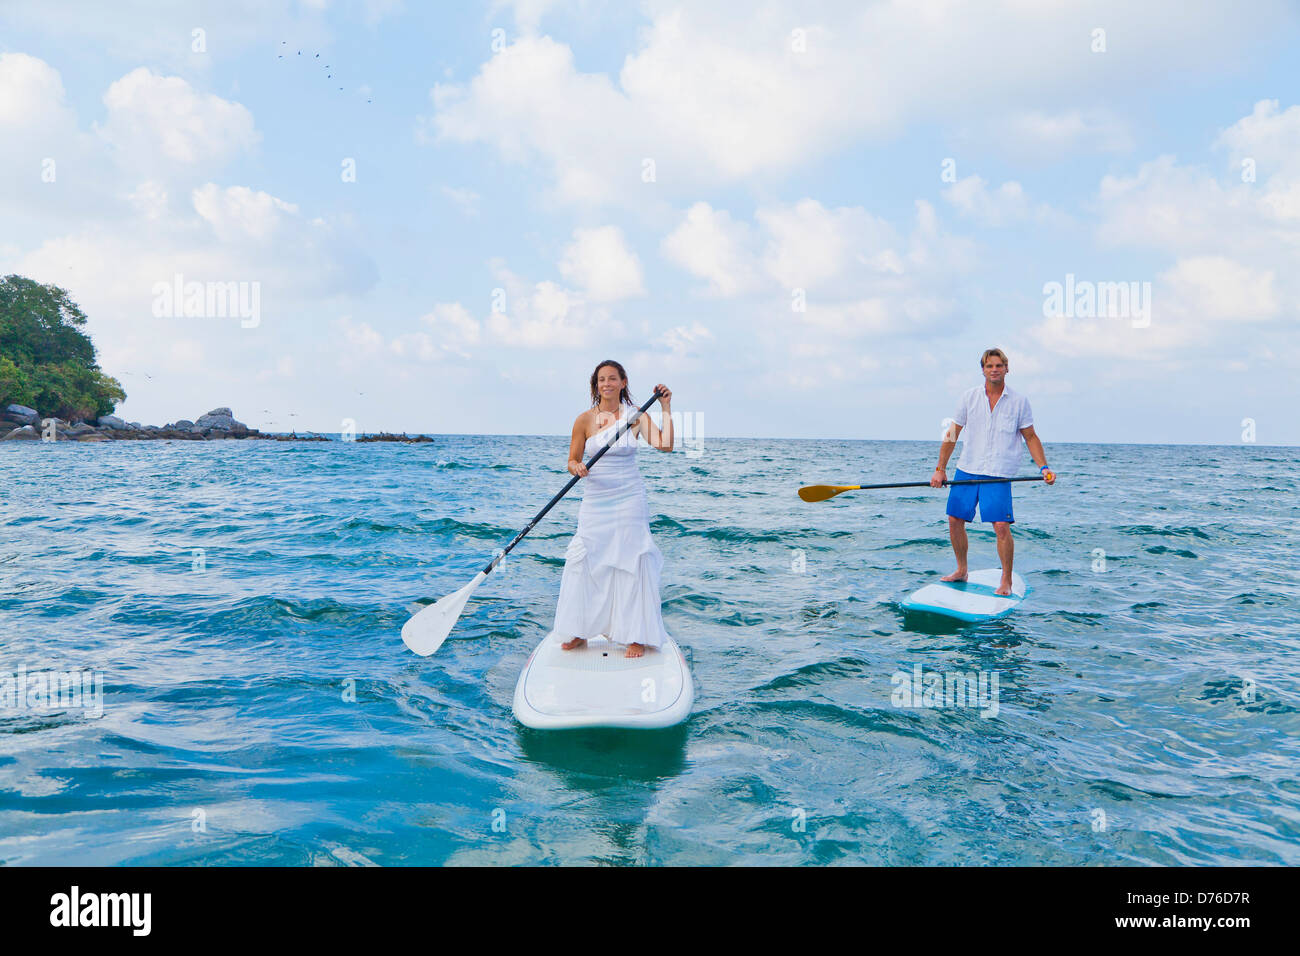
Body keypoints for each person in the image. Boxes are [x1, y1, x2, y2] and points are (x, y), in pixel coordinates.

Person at [554, 360, 674, 658]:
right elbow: (571, 460)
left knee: (632, 559)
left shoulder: (636, 417)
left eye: (612, 379)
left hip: (628, 499)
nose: (606, 384)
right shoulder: (583, 419)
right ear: (595, 385)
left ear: (623, 382)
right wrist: (576, 467)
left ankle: (637, 635)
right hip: (595, 502)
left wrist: (666, 408)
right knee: (585, 558)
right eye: (601, 380)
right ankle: (580, 630)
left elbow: (666, 445)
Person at [930, 348, 1056, 595]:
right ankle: (961, 570)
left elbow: (1030, 437)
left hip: (999, 472)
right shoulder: (969, 397)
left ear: (1007, 369)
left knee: (1000, 526)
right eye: (989, 366)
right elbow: (953, 433)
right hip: (967, 468)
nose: (994, 370)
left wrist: (1044, 467)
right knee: (955, 520)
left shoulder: (1019, 401)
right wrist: (940, 469)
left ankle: (1006, 580)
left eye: (999, 365)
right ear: (983, 370)